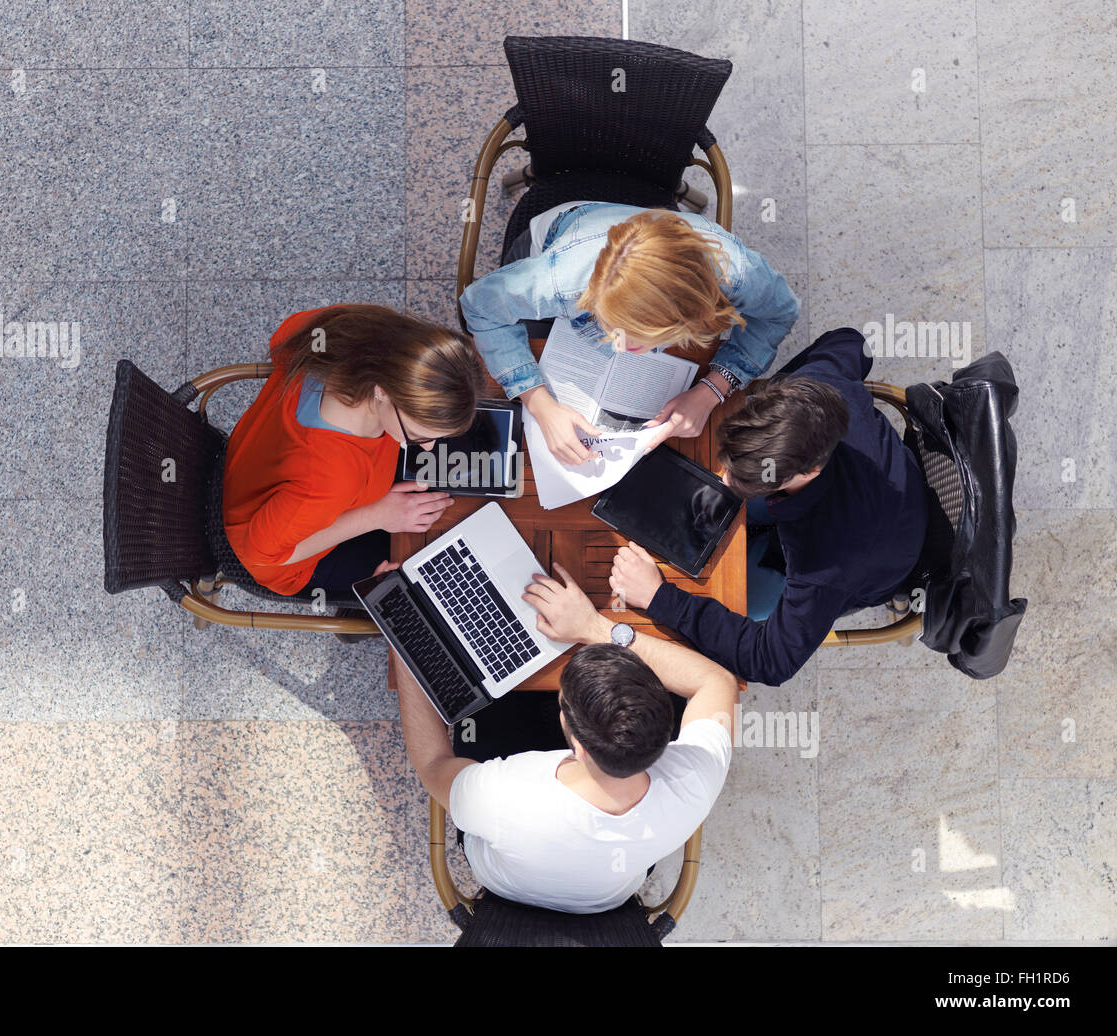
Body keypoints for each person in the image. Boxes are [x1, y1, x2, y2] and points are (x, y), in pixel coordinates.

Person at [394, 561, 739, 914]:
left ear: (577, 747)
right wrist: (592, 627)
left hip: (506, 863)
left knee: (492, 690)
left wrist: (403, 643)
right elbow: (718, 682)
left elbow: (433, 764)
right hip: (607, 890)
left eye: (562, 704)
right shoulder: (694, 780)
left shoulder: (502, 796)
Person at [608, 327, 929, 686]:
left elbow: (770, 661)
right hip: (868, 491)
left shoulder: (824, 566)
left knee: (725, 593)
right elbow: (853, 342)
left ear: (808, 470)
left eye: (746, 480)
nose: (726, 479)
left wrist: (659, 598)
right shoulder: (816, 386)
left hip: (876, 554)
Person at [458, 202, 799, 465]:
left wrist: (713, 390)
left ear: (690, 312)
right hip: (560, 234)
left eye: (641, 336)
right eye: (608, 324)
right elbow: (479, 305)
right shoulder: (560, 282)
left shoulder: (736, 272)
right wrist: (539, 403)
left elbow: (780, 312)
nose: (620, 346)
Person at [221, 304, 483, 600]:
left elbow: (285, 335)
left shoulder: (363, 327)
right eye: (419, 435)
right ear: (382, 390)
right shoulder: (330, 479)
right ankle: (354, 613)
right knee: (430, 579)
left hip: (261, 467)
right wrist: (375, 516)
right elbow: (262, 558)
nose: (428, 446)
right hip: (297, 559)